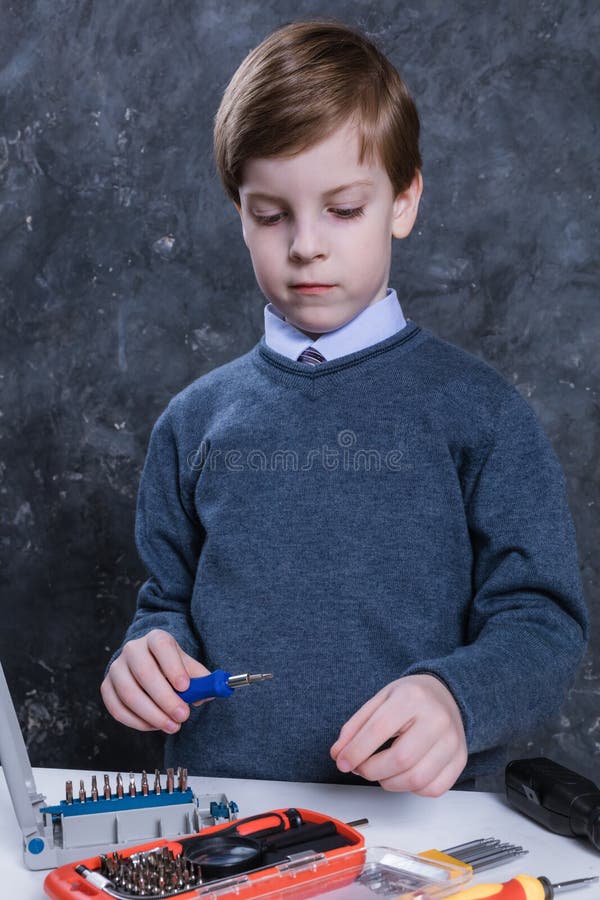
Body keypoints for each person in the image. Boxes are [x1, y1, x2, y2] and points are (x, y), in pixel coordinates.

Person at [101, 19, 589, 796]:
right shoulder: (192, 424)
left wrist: (457, 700)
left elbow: (543, 624)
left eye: (343, 209)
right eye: (271, 215)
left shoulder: (482, 416)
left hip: (435, 837)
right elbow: (168, 604)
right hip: (231, 825)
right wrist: (148, 654)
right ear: (240, 214)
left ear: (404, 201)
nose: (305, 246)